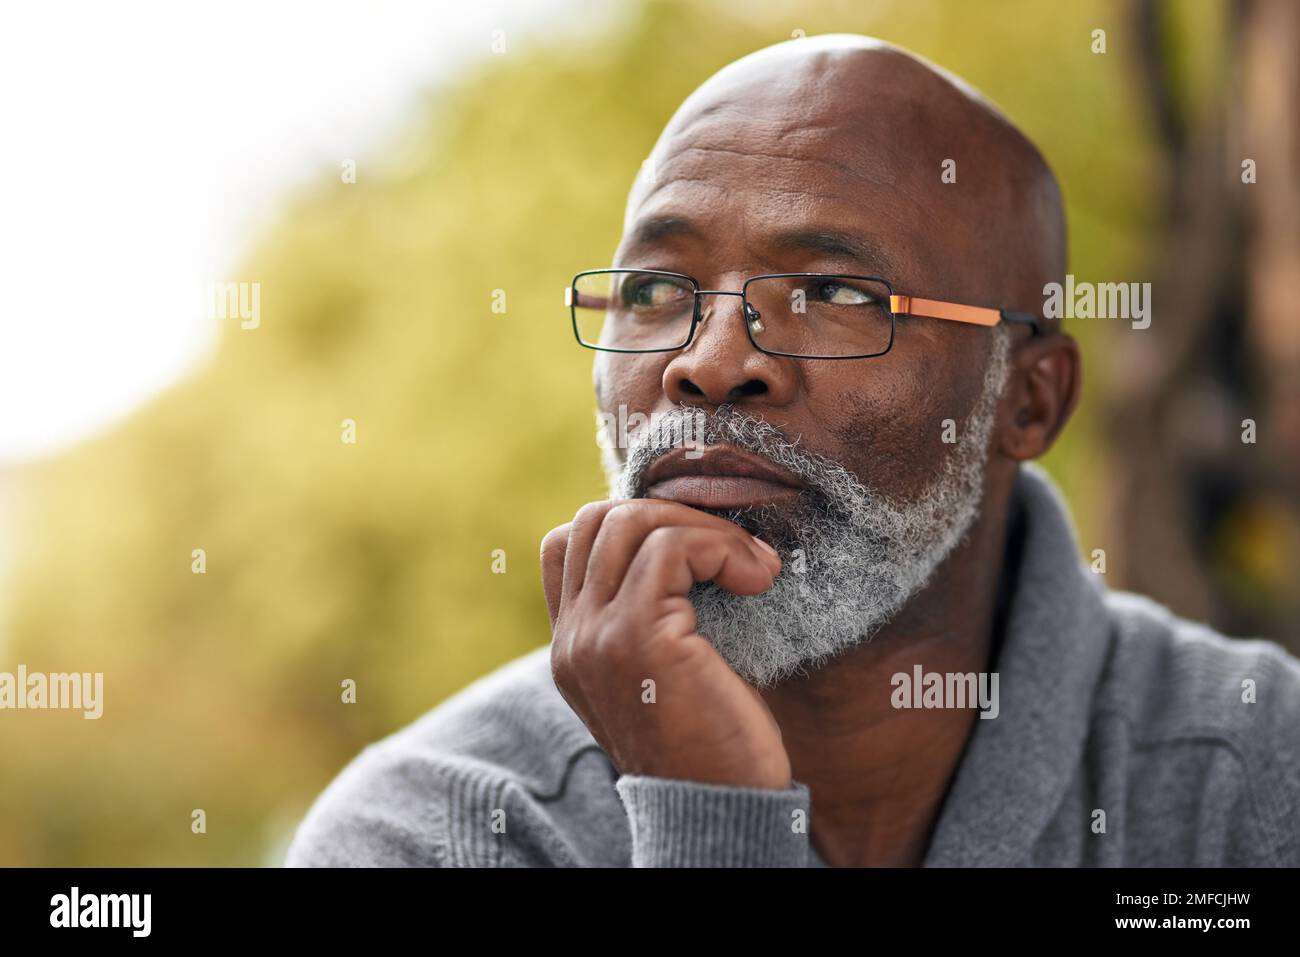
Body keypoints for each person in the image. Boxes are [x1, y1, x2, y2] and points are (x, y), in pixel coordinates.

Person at [285, 34, 1300, 867]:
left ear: (1028, 401)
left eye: (831, 295)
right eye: (656, 292)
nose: (712, 362)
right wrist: (705, 821)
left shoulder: (1251, 774)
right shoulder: (440, 833)